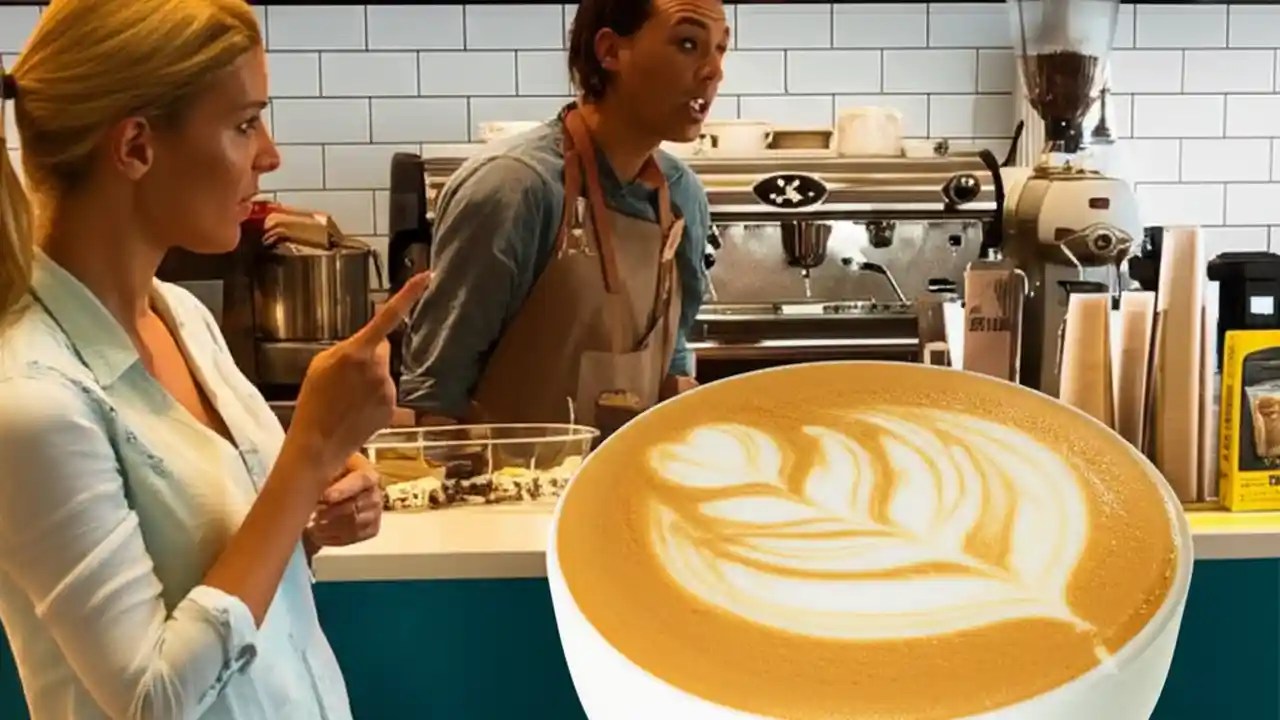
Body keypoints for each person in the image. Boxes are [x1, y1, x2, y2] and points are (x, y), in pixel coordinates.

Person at [0, 1, 429, 718]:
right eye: (243, 123)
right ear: (136, 146)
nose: (270, 153)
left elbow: (222, 573)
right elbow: (152, 700)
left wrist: (316, 509)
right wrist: (308, 453)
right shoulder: (34, 399)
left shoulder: (182, 318)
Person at [399, 0, 728, 438]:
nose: (714, 72)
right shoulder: (514, 189)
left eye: (721, 49)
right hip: (503, 493)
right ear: (610, 51)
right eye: (688, 44)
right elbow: (436, 394)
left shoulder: (683, 195)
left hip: (626, 485)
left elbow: (673, 357)